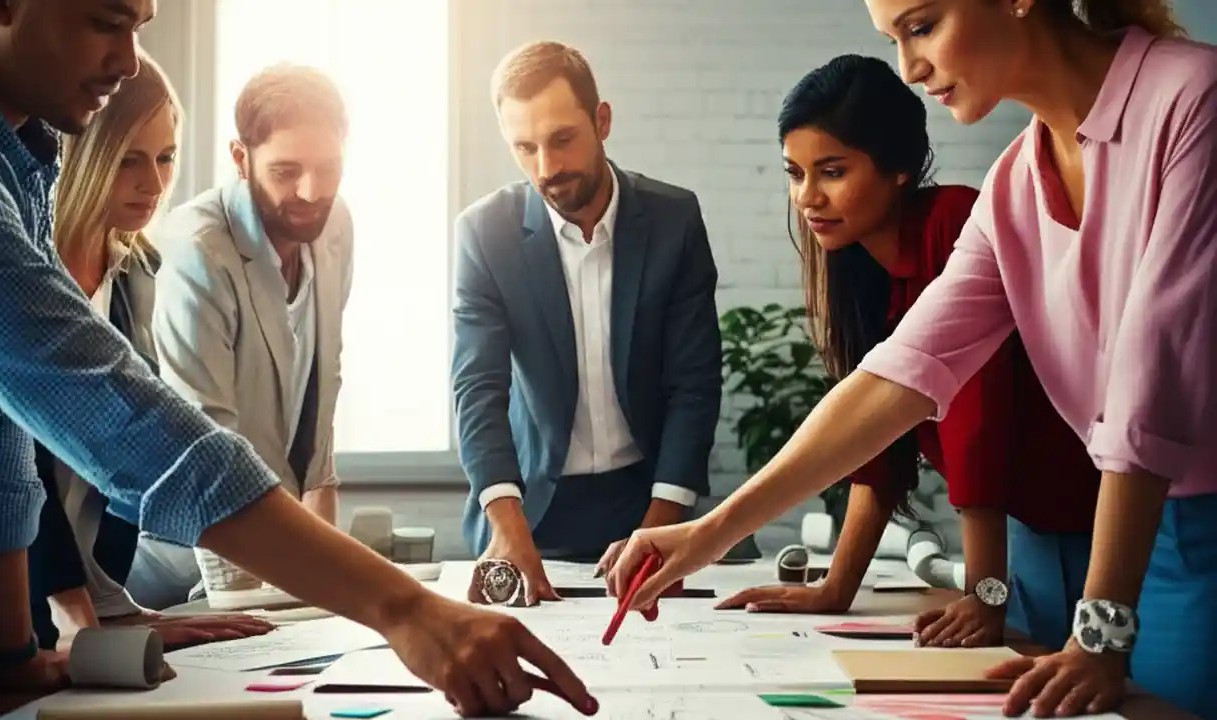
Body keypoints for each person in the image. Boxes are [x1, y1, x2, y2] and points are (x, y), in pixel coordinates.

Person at [0, 1, 595, 714]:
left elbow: (0, 432)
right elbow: (120, 418)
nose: (129, 61)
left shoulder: (18, 153)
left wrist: (6, 654)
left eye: (141, 27)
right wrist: (408, 611)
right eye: (106, 21)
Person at [607, 1, 1215, 717]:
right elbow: (897, 378)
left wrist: (1099, 632)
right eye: (893, 38)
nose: (910, 66)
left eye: (922, 25)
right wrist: (706, 534)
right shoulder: (1015, 182)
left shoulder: (1193, 100)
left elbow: (1154, 379)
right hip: (1128, 528)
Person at [709, 55, 1101, 654]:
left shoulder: (955, 221)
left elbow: (978, 422)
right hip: (1034, 528)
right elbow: (879, 445)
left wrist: (987, 587)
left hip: (1105, 520)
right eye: (795, 173)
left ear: (897, 169)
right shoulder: (856, 270)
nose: (808, 197)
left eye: (832, 172)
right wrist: (836, 586)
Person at [19, 48, 274, 651]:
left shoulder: (139, 274)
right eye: (129, 159)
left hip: (85, 601)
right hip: (0, 604)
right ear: (82, 155)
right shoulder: (27, 274)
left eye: (165, 157)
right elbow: (19, 471)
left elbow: (120, 470)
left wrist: (119, 611)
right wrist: (81, 619)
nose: (155, 183)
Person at [452, 40, 722, 604]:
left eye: (562, 139)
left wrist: (659, 525)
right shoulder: (485, 234)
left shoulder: (675, 221)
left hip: (648, 499)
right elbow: (477, 389)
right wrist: (506, 523)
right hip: (529, 511)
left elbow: (693, 385)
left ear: (602, 121)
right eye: (524, 148)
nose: (546, 169)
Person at [124, 63, 352, 610]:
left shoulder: (334, 222)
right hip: (181, 553)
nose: (311, 190)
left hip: (275, 542)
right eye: (285, 170)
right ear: (239, 157)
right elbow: (207, 445)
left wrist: (330, 576)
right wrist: (250, 599)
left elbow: (321, 393)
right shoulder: (199, 250)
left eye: (329, 167)